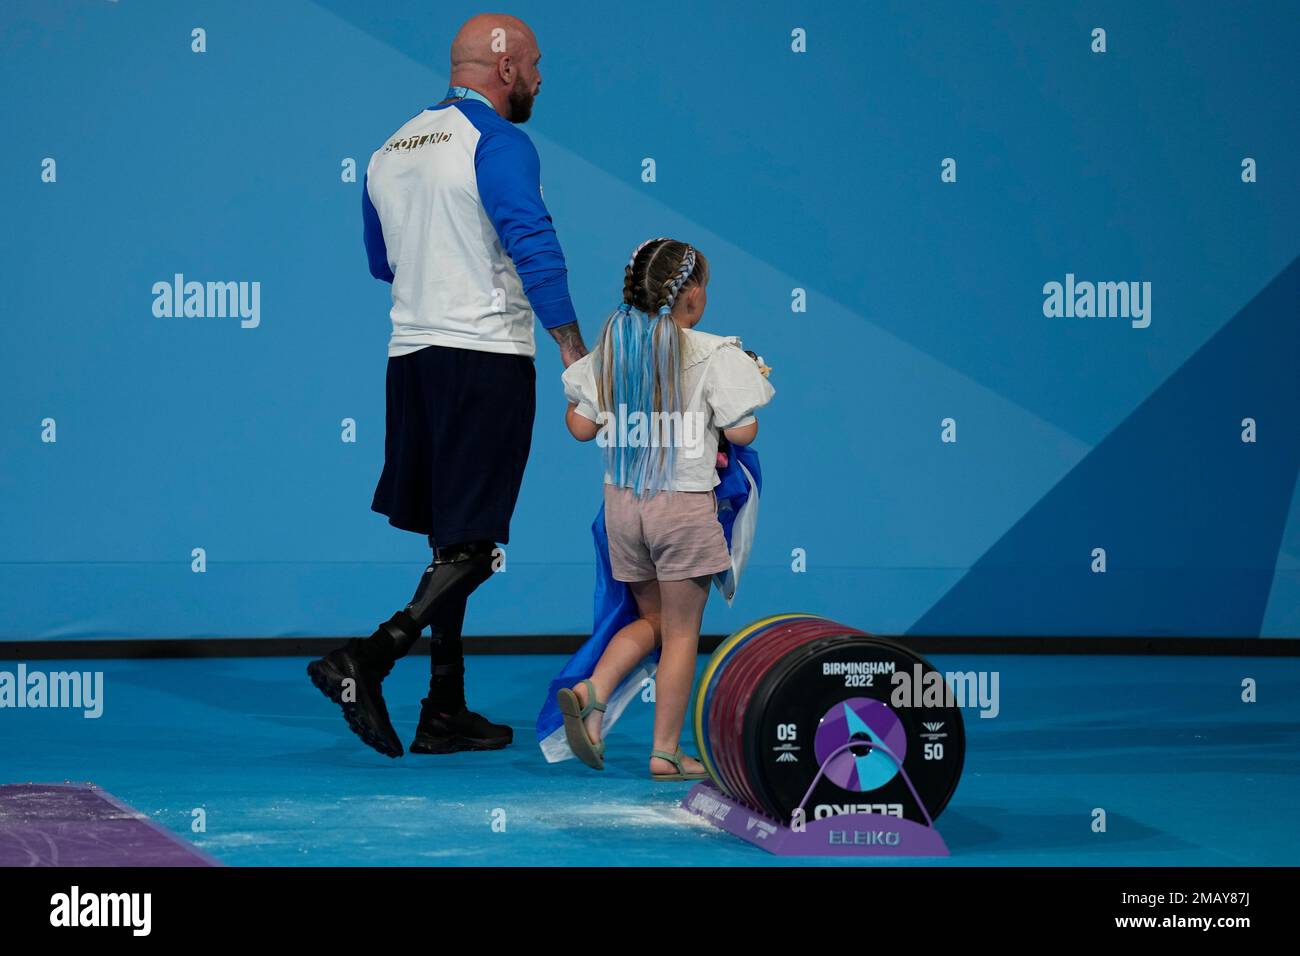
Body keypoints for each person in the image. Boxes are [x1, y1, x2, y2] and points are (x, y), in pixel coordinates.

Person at [308, 14, 587, 758]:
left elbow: (381, 261)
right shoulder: (499, 142)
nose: (538, 76)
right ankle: (367, 659)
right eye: (532, 62)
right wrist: (572, 349)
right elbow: (532, 241)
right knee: (477, 545)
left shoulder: (391, 147)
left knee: (451, 538)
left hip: (413, 358)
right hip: (484, 356)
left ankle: (444, 708)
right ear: (502, 66)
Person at [556, 238, 775, 779]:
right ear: (693, 295)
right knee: (681, 634)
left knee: (651, 622)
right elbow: (742, 429)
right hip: (682, 508)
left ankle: (593, 690)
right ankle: (665, 753)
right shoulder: (714, 352)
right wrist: (752, 380)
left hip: (623, 509)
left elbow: (580, 428)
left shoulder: (611, 351)